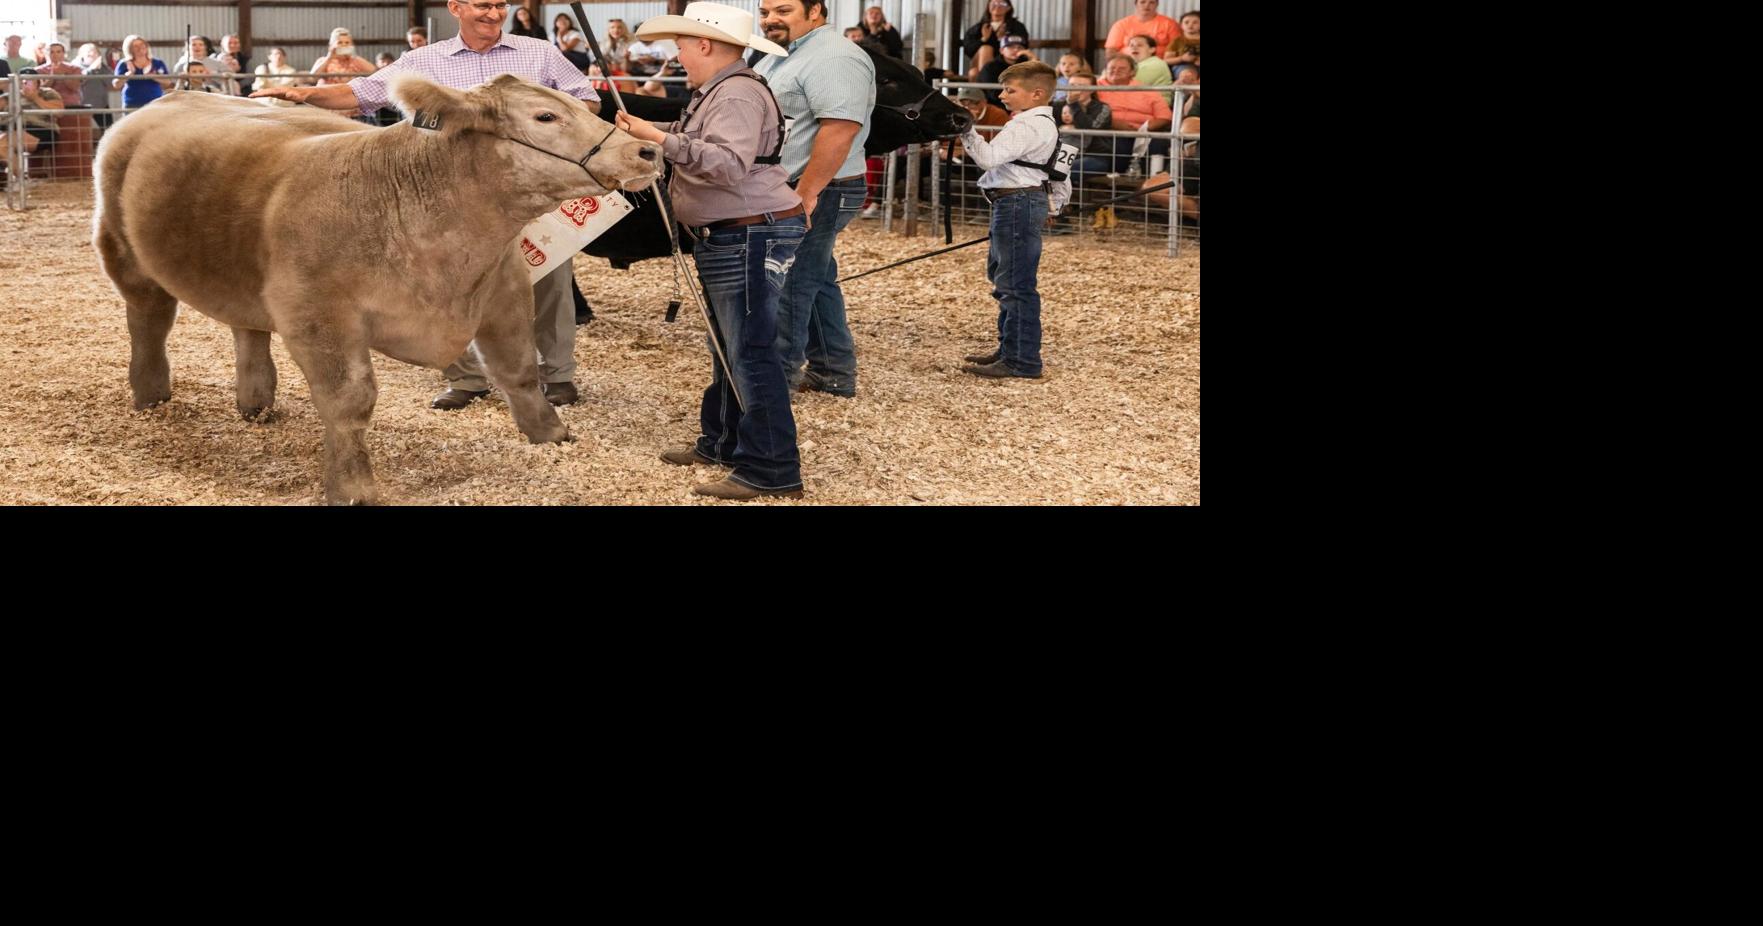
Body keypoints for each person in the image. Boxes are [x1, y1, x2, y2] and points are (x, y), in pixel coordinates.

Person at [251, 0, 604, 411]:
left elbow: (587, 99)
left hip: (528, 191)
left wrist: (548, 121)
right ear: (456, 7)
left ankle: (557, 374)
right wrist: (303, 92)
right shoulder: (425, 61)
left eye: (499, 5)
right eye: (481, 5)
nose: (493, 14)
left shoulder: (538, 53)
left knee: (550, 281)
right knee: (447, 287)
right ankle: (466, 376)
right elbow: (360, 93)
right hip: (454, 203)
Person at [616, 2, 809, 501]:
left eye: (682, 44)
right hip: (734, 231)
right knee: (728, 347)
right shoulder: (719, 92)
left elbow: (725, 165)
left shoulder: (737, 94)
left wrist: (658, 137)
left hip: (748, 231)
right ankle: (722, 442)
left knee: (749, 351)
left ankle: (771, 469)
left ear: (705, 44)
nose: (677, 55)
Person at [756, 0, 875, 397]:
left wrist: (806, 193)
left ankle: (778, 381)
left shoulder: (835, 57)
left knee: (789, 280)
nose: (771, 18)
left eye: (783, 10)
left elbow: (839, 129)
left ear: (815, 11)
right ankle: (833, 371)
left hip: (821, 186)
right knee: (816, 277)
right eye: (765, 11)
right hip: (797, 184)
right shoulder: (779, 56)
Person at [956, 60, 1068, 380]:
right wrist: (1055, 205)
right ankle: (1010, 348)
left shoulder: (1027, 125)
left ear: (1036, 94)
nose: (1003, 95)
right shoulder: (1038, 123)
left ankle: (1021, 359)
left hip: (1017, 203)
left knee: (1015, 283)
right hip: (1018, 202)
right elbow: (1058, 171)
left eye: (1010, 89)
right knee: (1006, 277)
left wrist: (966, 129)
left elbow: (987, 158)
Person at [961, 0, 1028, 80]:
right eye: (994, 3)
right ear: (988, 6)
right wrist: (983, 39)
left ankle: (987, 80)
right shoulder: (979, 28)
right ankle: (987, 78)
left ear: (1008, 8)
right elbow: (968, 50)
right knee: (986, 48)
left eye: (1002, 4)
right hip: (979, 62)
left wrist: (1002, 39)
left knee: (974, 73)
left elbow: (1023, 46)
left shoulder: (1016, 26)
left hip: (1007, 63)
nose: (997, 6)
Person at [111, 35, 172, 112]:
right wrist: (128, 74)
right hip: (132, 104)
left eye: (142, 44)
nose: (140, 48)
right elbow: (116, 84)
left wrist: (154, 76)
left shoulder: (157, 63)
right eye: (135, 46)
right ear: (130, 49)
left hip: (155, 103)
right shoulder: (124, 64)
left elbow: (168, 82)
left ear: (146, 46)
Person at [1104, 0, 1180, 57]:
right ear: (1136, 4)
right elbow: (1110, 51)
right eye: (1143, 2)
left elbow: (1178, 48)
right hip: (1129, 64)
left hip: (1161, 64)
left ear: (1157, 4)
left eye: (1151, 2)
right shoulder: (1121, 25)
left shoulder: (1170, 24)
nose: (1147, 5)